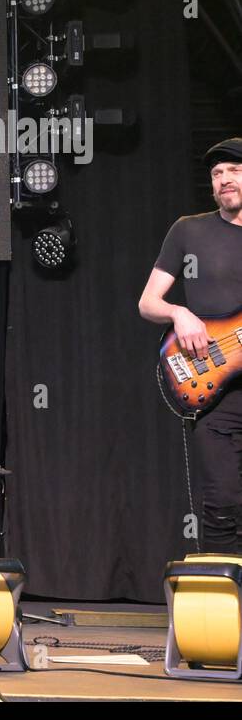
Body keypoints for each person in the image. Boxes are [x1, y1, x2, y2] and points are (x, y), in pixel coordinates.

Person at [140, 138, 242, 552]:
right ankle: (222, 607)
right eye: (217, 174)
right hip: (213, 395)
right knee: (221, 504)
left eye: (233, 170)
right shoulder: (189, 230)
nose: (223, 179)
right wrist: (179, 313)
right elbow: (147, 302)